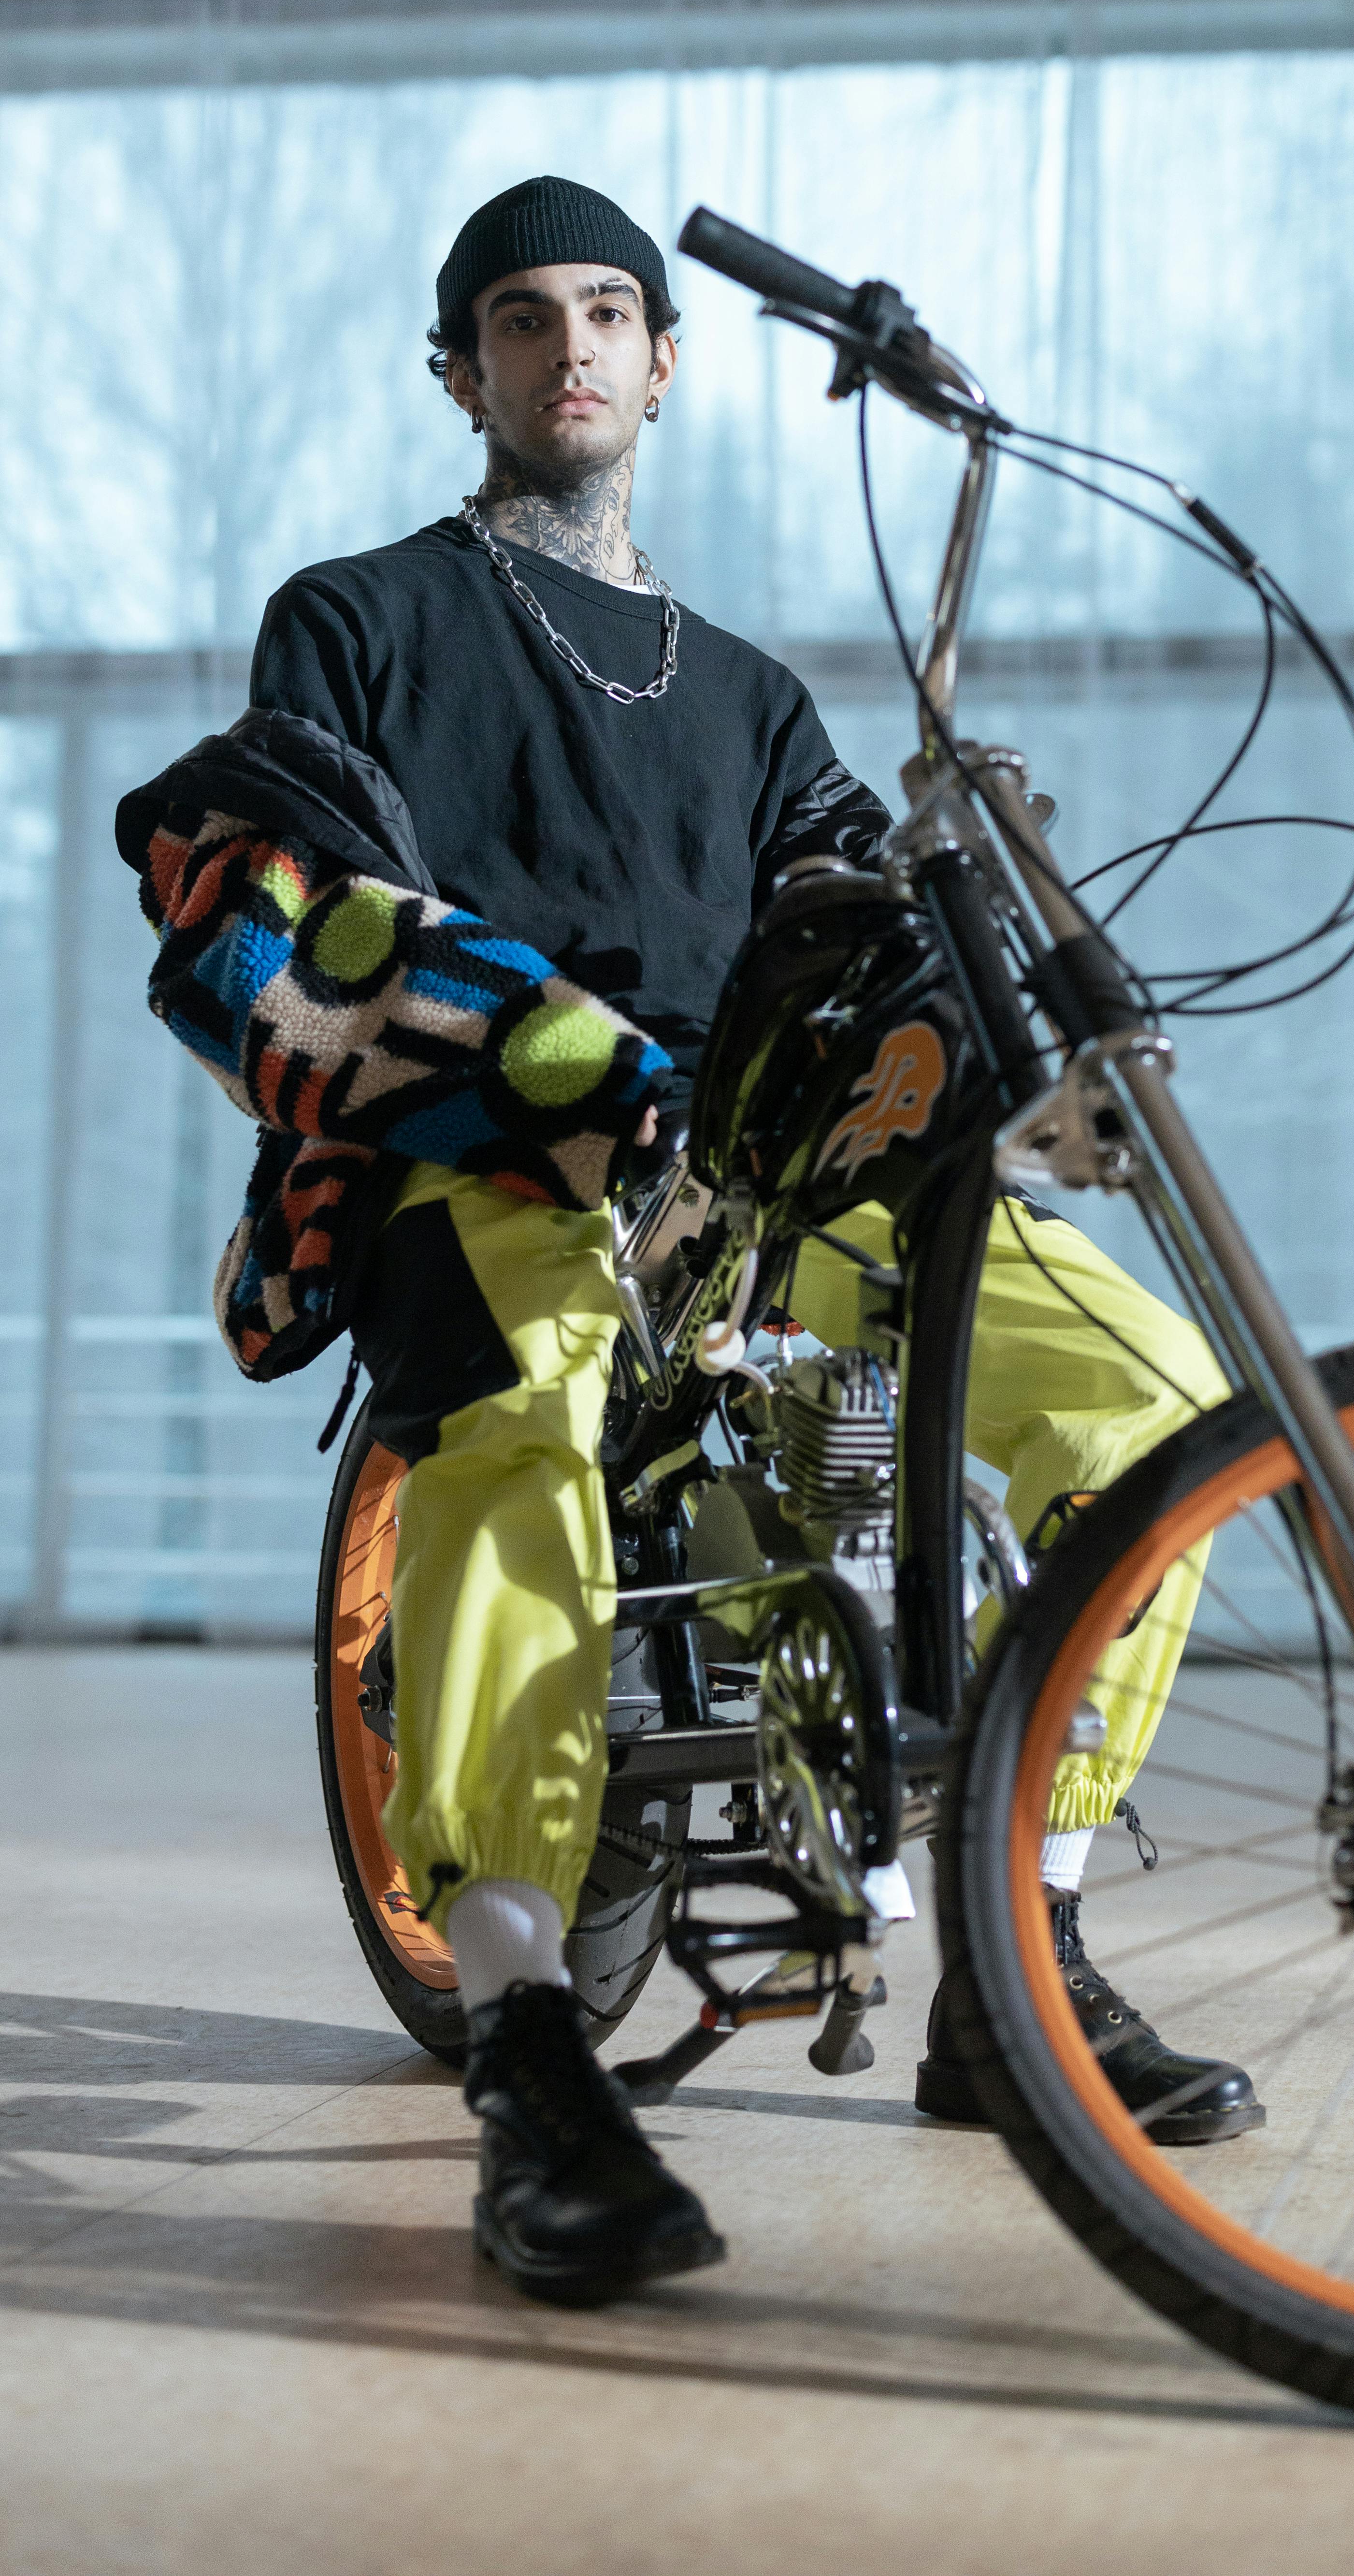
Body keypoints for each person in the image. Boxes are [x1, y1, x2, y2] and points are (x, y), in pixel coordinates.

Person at [132, 176, 1260, 2308]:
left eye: (609, 312)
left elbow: (848, 944)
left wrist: (975, 1013)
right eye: (523, 316)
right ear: (457, 369)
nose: (571, 345)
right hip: (496, 1154)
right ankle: (535, 2040)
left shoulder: (748, 696)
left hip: (761, 1170)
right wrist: (553, 1073)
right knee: (524, 1430)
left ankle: (1017, 1949)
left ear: (668, 362)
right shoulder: (359, 617)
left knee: (1161, 1409)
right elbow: (312, 892)